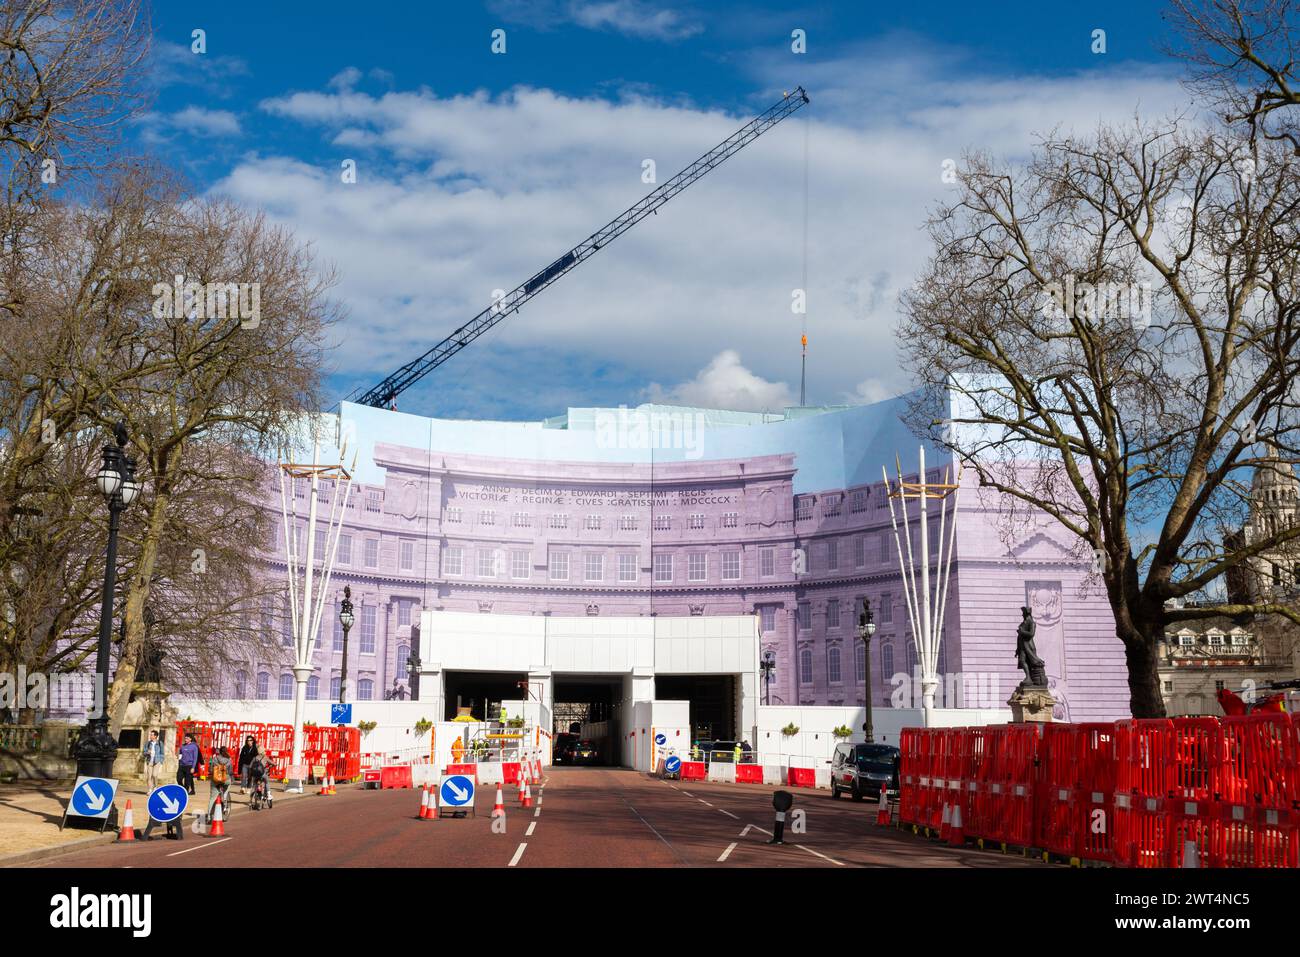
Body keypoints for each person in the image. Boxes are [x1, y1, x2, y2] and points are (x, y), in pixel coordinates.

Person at [207, 746, 233, 819]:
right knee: (226, 788)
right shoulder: (229, 759)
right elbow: (230, 771)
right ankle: (224, 800)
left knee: (212, 798)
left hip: (215, 779)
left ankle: (208, 815)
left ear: (219, 751)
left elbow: (210, 769)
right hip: (225, 779)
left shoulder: (215, 758)